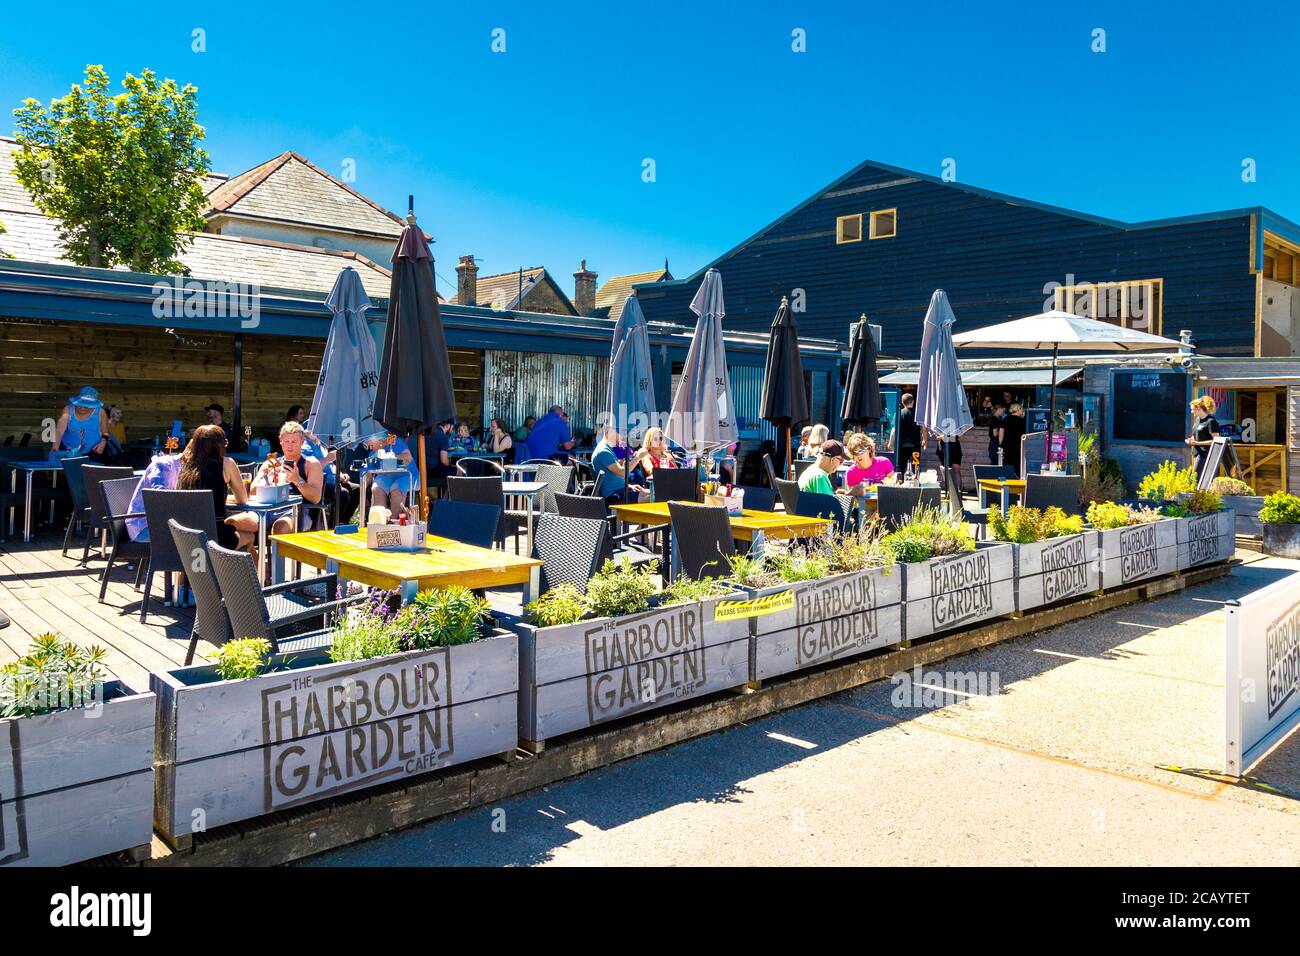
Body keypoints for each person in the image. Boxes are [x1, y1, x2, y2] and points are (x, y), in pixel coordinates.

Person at [176, 424, 254, 551]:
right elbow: (242, 499)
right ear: (220, 445)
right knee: (250, 536)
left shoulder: (186, 466)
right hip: (215, 536)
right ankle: (247, 571)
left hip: (186, 535)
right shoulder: (226, 463)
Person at [256, 421, 325, 536]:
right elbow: (253, 491)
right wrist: (268, 477)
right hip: (268, 509)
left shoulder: (311, 464)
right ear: (280, 441)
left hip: (297, 511)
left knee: (280, 528)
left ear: (302, 442)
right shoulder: (272, 464)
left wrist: (297, 480)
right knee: (237, 522)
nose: (290, 445)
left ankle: (274, 554)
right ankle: (252, 553)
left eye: (294, 442)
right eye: (287, 441)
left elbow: (316, 498)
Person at [53, 387, 115, 462]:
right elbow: (59, 431)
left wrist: (103, 442)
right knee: (70, 472)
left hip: (93, 450)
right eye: (81, 404)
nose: (83, 407)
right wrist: (55, 450)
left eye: (87, 405)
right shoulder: (68, 409)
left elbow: (105, 432)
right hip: (69, 449)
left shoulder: (100, 412)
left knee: (91, 472)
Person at [592, 426, 647, 505]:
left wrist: (629, 486)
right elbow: (622, 473)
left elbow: (613, 474)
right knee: (655, 497)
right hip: (614, 496)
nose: (620, 440)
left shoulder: (607, 448)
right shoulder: (603, 451)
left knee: (654, 494)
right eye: (618, 436)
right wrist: (638, 457)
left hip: (621, 490)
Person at [1186, 396, 1222, 479]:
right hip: (1196, 453)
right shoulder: (1197, 420)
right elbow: (1195, 434)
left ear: (1198, 408)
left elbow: (1216, 441)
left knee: (1194, 479)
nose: (1191, 412)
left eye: (1192, 409)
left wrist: (1197, 443)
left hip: (1206, 454)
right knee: (1196, 479)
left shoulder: (1211, 422)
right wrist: (1191, 440)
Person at [896, 393, 922, 473]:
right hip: (915, 444)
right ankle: (915, 481)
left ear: (902, 402)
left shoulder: (899, 413)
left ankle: (902, 482)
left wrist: (890, 442)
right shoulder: (918, 414)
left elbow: (894, 429)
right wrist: (924, 440)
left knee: (902, 465)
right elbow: (923, 429)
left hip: (902, 444)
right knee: (916, 464)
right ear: (913, 402)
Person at [1001, 404, 1027, 477]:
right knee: (1017, 465)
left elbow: (1001, 431)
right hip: (1018, 445)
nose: (1022, 411)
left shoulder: (1006, 419)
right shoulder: (1022, 421)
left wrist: (1001, 444)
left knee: (1007, 464)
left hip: (1007, 444)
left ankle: (1006, 482)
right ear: (1018, 409)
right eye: (1021, 409)